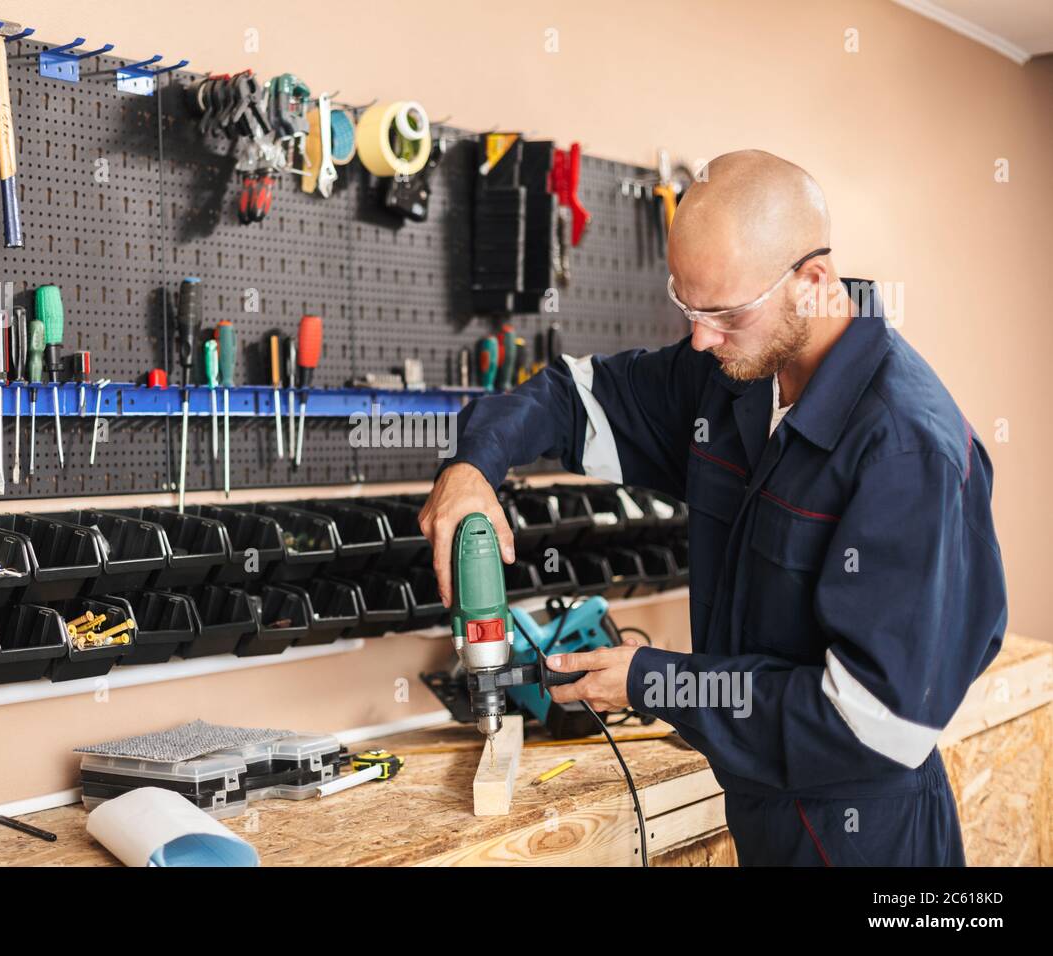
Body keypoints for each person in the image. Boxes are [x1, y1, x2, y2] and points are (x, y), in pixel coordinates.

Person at [419, 150, 1007, 866]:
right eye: (687, 307)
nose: (699, 338)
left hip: (868, 838)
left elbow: (878, 725)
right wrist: (472, 464)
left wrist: (656, 679)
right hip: (763, 816)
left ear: (812, 283)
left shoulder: (907, 449)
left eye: (724, 312)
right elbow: (573, 395)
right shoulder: (735, 378)